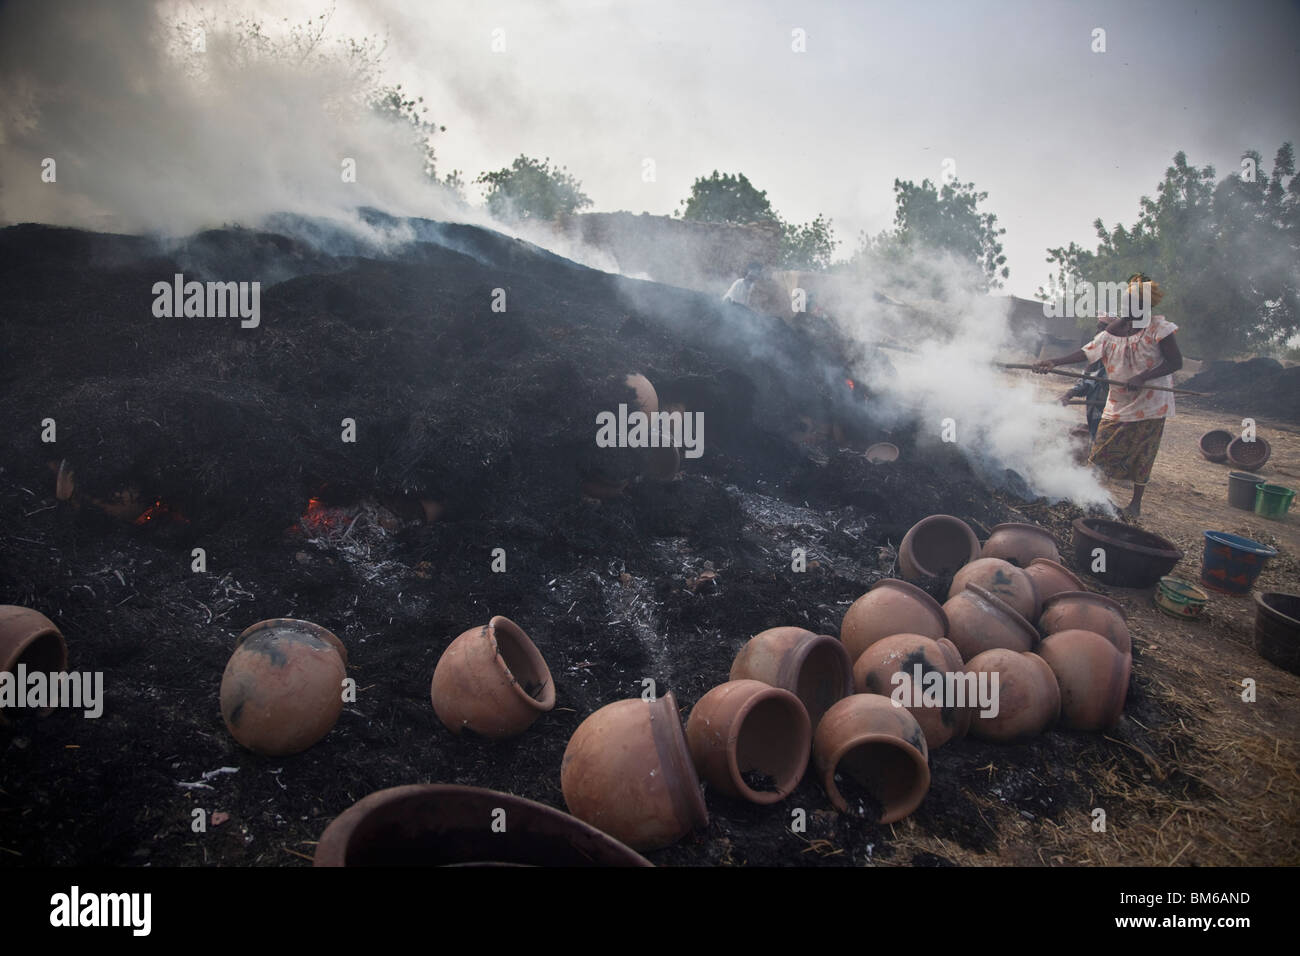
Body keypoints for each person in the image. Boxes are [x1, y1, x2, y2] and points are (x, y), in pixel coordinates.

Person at [1034, 274, 1183, 518]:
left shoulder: (1160, 329)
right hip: (1118, 400)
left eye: (1130, 303)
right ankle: (1086, 495)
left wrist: (1143, 377)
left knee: (1143, 452)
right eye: (1124, 301)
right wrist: (1053, 362)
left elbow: (1175, 362)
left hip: (1151, 402)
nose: (1124, 306)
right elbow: (1088, 352)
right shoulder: (1116, 328)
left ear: (1143, 306)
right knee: (1100, 448)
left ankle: (1135, 505)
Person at [1058, 317, 1111, 440]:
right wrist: (1068, 395)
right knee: (1095, 440)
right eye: (1098, 328)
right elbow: (1087, 382)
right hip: (1094, 410)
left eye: (1104, 328)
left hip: (1110, 413)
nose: (1098, 332)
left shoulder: (1115, 358)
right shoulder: (1096, 359)